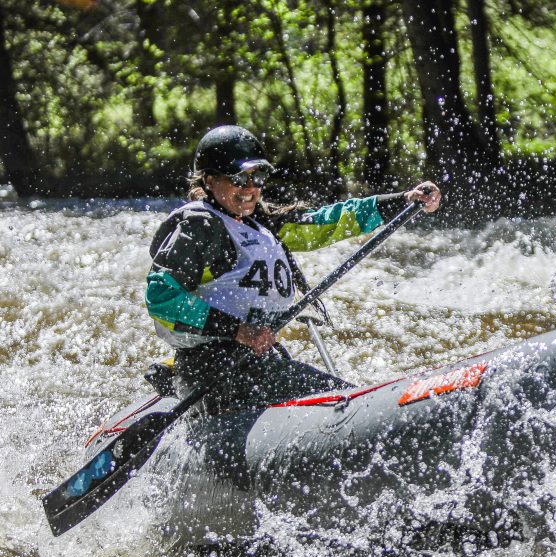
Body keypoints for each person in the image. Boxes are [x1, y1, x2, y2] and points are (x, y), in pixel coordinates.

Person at [145, 124, 441, 411]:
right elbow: (162, 298)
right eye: (239, 178)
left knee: (333, 391)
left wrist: (403, 201)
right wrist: (240, 331)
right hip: (214, 371)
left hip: (254, 364)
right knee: (339, 398)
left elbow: (329, 222)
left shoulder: (262, 223)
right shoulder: (200, 226)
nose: (250, 188)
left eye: (257, 177)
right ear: (209, 181)